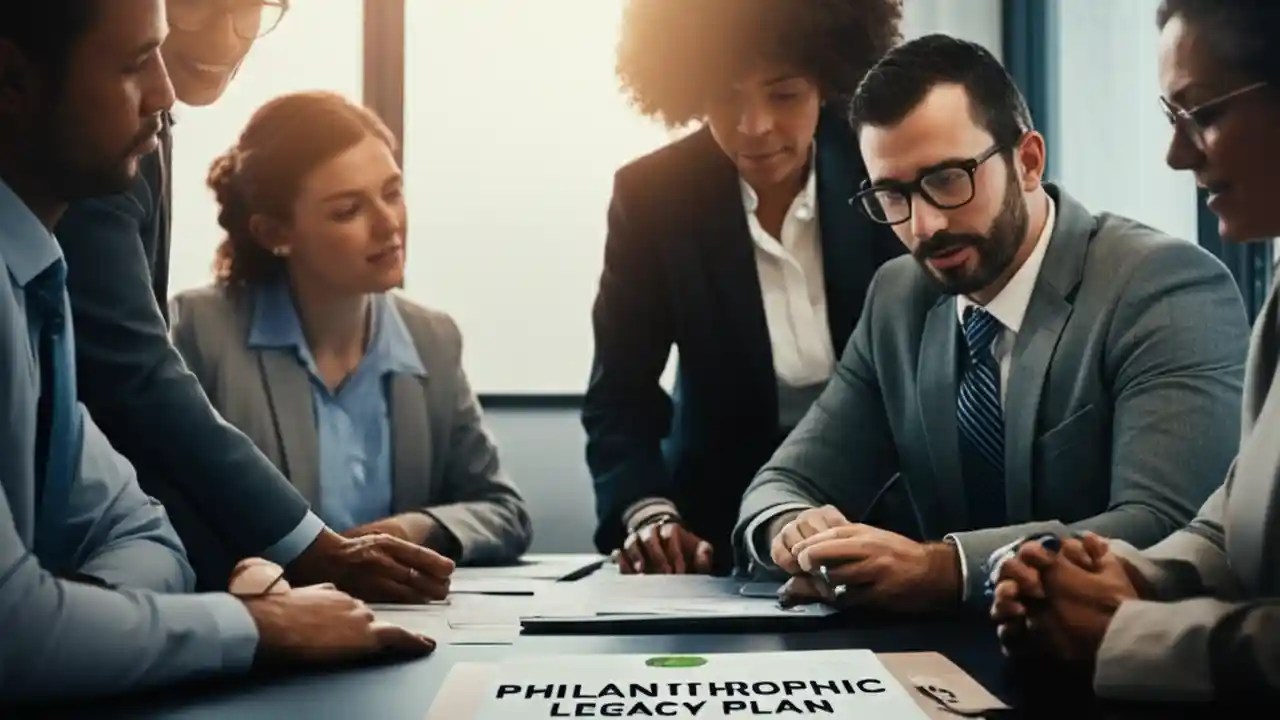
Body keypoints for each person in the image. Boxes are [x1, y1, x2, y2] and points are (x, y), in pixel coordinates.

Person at [0, 0, 441, 702]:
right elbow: (132, 375)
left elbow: (140, 529)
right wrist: (259, 618)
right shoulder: (195, 323)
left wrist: (96, 623)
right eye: (135, 62)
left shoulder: (38, 281)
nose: (164, 92)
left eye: (251, 9)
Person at [732, 34, 1249, 613]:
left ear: (1028, 162)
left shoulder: (1163, 286)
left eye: (948, 179)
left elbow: (1167, 527)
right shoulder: (897, 299)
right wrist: (797, 530)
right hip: (933, 660)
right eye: (893, 195)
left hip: (1113, 657)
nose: (924, 226)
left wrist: (944, 569)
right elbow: (781, 486)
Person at [990, 0, 1280, 701]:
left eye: (1202, 113)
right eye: (1171, 116)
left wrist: (1125, 632)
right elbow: (1235, 521)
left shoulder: (1161, 281)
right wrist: (1124, 576)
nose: (1177, 154)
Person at [585, 0, 905, 575]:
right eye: (725, 96)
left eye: (784, 95)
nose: (753, 126)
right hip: (715, 529)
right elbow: (620, 395)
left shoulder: (883, 170)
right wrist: (649, 515)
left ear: (828, 81)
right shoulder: (653, 197)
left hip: (885, 513)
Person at [169, 91, 532, 565]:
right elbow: (171, 515)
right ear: (275, 233)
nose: (388, 224)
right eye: (348, 210)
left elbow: (505, 511)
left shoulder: (432, 339)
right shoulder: (200, 332)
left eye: (392, 193)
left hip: (400, 611)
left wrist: (413, 528)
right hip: (261, 608)